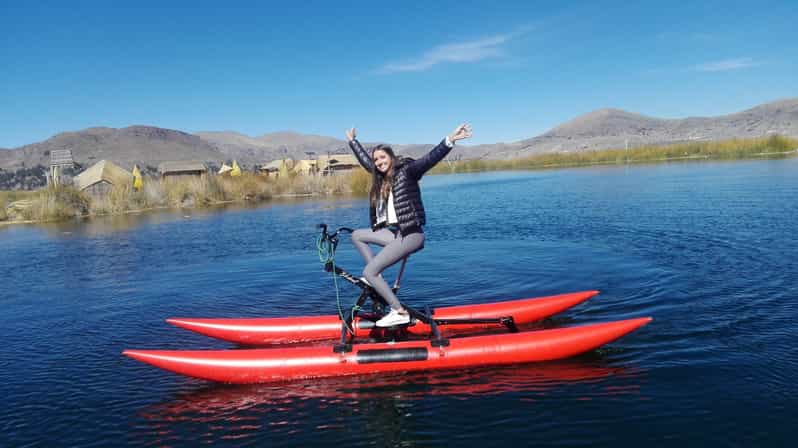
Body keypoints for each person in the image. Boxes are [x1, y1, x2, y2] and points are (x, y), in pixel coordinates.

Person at [346, 123, 473, 327]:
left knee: (369, 271)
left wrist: (450, 140)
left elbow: (430, 159)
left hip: (412, 234)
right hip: (397, 234)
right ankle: (375, 278)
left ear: (392, 157)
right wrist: (353, 142)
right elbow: (365, 162)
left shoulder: (408, 171)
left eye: (382, 157)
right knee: (357, 235)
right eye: (376, 159)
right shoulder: (381, 176)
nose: (378, 162)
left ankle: (399, 311)